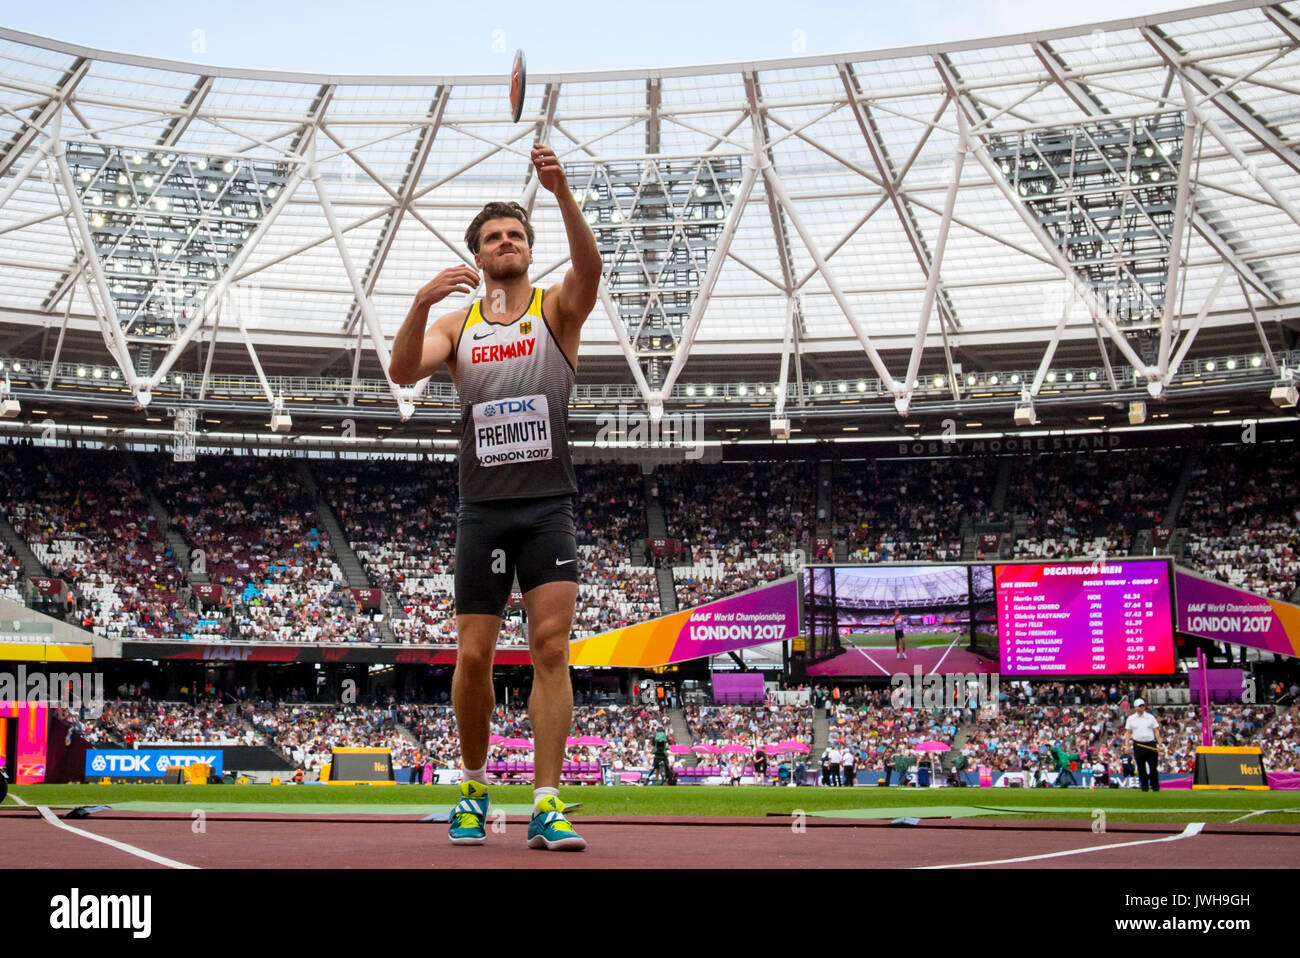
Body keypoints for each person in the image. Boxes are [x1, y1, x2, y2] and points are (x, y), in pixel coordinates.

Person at [389, 142, 601, 851]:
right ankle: (474, 789)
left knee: (549, 648)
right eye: (492, 237)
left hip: (548, 507)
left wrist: (562, 190)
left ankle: (546, 802)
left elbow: (591, 268)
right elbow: (399, 370)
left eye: (515, 235)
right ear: (477, 256)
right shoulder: (458, 326)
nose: (505, 242)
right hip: (482, 510)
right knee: (473, 657)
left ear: (530, 252)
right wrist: (421, 301)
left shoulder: (556, 309)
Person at [1123, 698, 1162, 792]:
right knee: (1141, 767)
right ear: (1135, 707)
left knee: (1153, 767)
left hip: (1150, 743)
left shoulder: (1150, 717)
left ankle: (1155, 786)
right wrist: (1127, 745)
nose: (1142, 707)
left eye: (1143, 705)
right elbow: (1128, 733)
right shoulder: (1131, 719)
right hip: (1138, 744)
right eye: (1140, 706)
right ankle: (1144, 786)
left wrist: (1160, 744)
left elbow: (1156, 731)